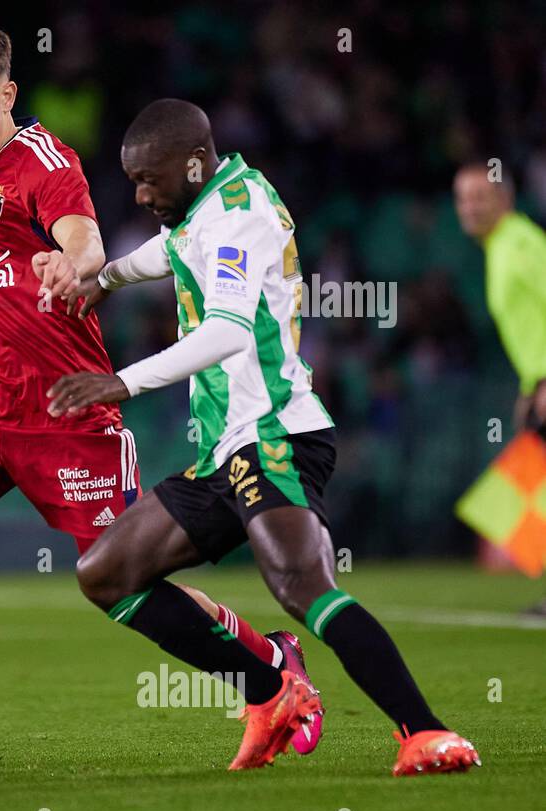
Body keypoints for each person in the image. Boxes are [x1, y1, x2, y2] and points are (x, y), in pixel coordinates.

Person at [0, 21, 320, 768]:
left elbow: (83, 237)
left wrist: (72, 262)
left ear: (7, 94)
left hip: (66, 414)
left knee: (123, 584)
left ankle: (272, 670)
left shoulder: (46, 164)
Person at [55, 98, 479, 775]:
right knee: (105, 573)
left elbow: (225, 330)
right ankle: (272, 684)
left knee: (300, 584)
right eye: (132, 180)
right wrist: (107, 278)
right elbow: (172, 250)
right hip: (224, 449)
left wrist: (124, 382)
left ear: (193, 162)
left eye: (149, 180)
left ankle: (425, 732)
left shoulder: (237, 216)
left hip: (273, 434)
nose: (139, 193)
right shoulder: (204, 207)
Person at [453, 163, 546, 614]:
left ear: (504, 199)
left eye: (479, 196)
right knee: (530, 493)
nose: (469, 207)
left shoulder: (521, 243)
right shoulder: (500, 247)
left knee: (527, 495)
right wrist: (532, 385)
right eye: (462, 198)